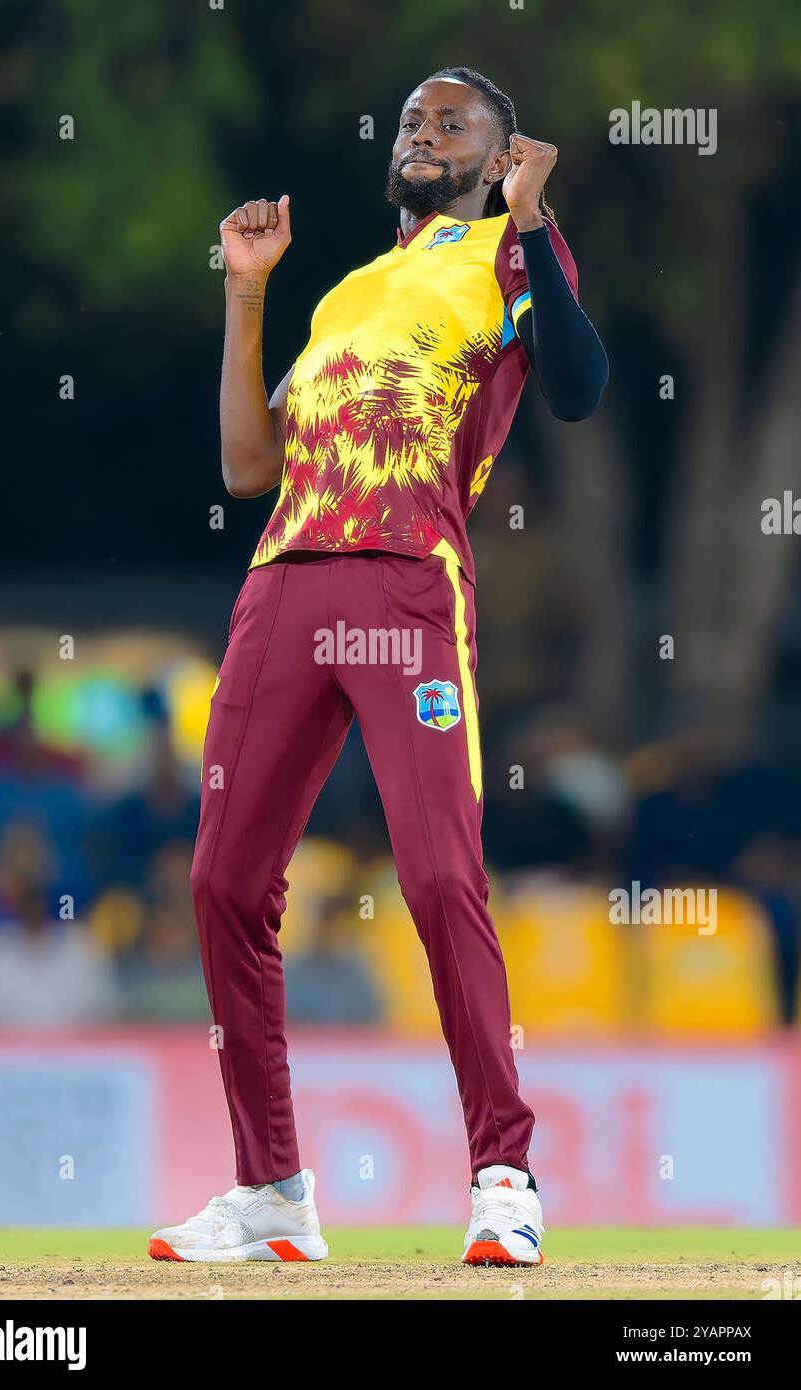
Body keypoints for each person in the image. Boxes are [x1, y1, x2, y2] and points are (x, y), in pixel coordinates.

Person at [149, 67, 608, 1268]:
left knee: (438, 876)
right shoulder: (349, 291)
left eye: (449, 123)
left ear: (498, 155)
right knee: (220, 881)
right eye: (411, 119)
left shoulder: (508, 258)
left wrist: (536, 218)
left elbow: (577, 389)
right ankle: (268, 1191)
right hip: (281, 576)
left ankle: (502, 1176)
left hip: (406, 582)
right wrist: (246, 297)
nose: (420, 133)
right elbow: (249, 466)